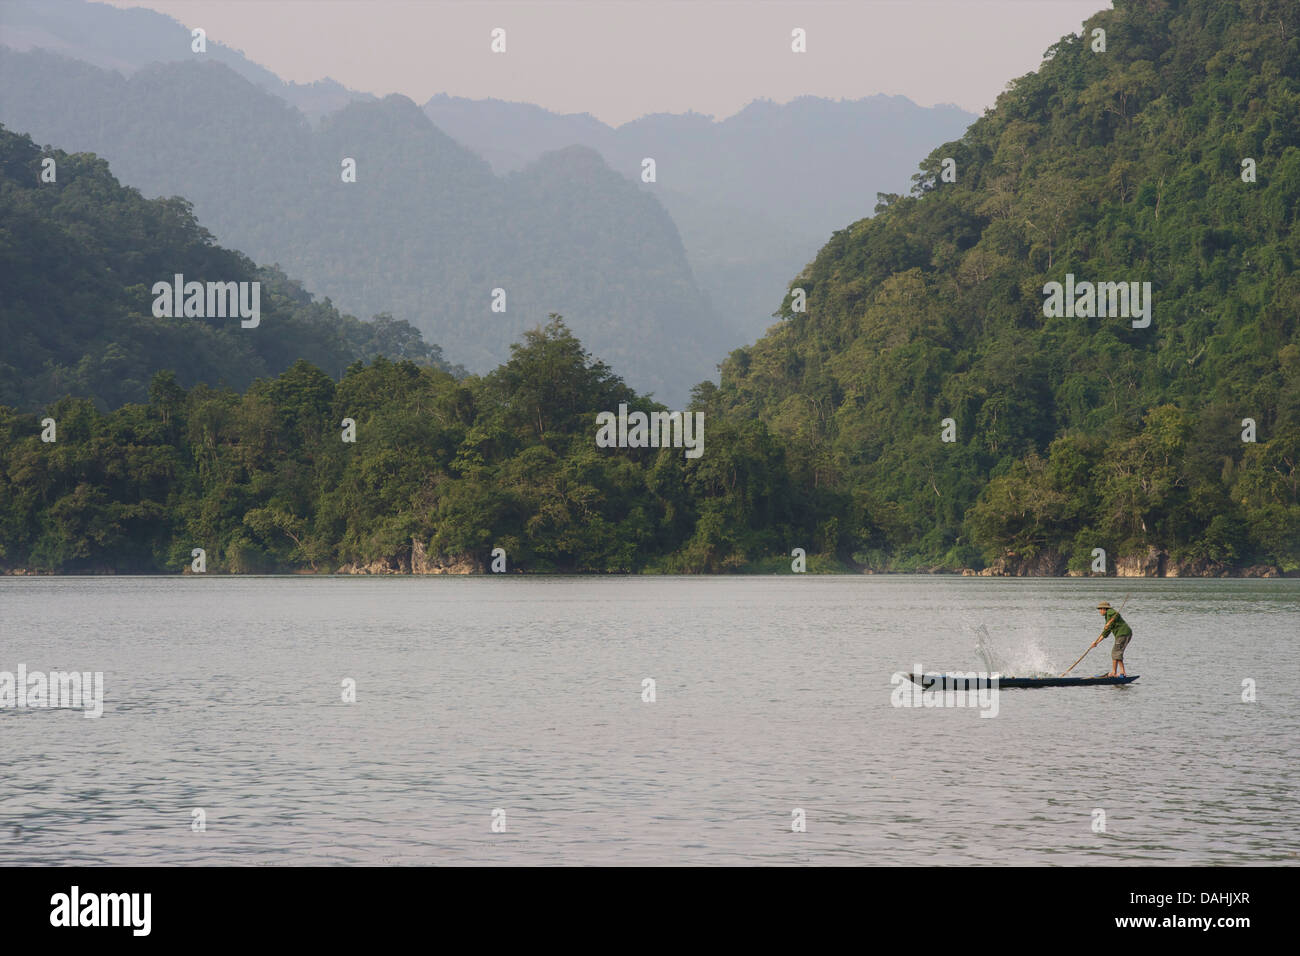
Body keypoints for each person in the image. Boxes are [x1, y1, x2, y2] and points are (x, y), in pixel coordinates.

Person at [1091, 601, 1133, 676]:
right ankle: (1119, 672)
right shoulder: (1107, 617)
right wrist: (1096, 642)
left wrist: (1109, 622)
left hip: (1123, 634)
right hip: (1124, 634)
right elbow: (1105, 633)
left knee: (1115, 652)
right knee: (1117, 653)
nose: (1100, 611)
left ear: (1104, 609)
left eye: (1100, 609)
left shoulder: (1110, 612)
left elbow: (1115, 614)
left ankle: (1117, 672)